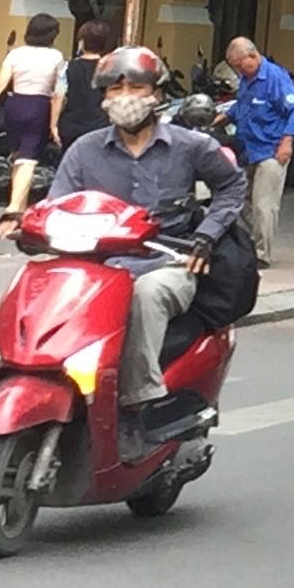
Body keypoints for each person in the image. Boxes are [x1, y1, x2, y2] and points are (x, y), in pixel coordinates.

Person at [44, 44, 245, 447]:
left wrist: (206, 235)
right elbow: (56, 205)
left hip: (168, 263)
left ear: (156, 93)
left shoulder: (192, 146)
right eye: (114, 88)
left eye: (135, 87)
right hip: (96, 267)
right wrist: (30, 225)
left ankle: (138, 406)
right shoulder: (83, 151)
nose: (124, 97)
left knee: (146, 294)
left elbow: (232, 186)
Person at [0, 10, 67, 228]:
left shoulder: (15, 54)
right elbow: (59, 92)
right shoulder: (57, 57)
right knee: (28, 160)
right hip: (39, 106)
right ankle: (12, 210)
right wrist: (53, 123)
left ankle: (19, 212)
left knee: (18, 159)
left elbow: (0, 84)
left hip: (14, 106)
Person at [223, 35, 294, 268]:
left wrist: (287, 143)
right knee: (238, 199)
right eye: (235, 67)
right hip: (249, 150)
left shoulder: (275, 78)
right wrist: (224, 116)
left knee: (264, 204)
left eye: (241, 65)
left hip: (271, 150)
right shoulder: (247, 79)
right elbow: (244, 104)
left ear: (253, 56)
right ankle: (254, 241)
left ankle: (262, 253)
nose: (239, 70)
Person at [54, 17, 118, 147]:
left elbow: (58, 97)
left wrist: (53, 125)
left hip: (70, 128)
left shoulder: (67, 67)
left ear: (81, 42)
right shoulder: (110, 69)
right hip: (100, 126)